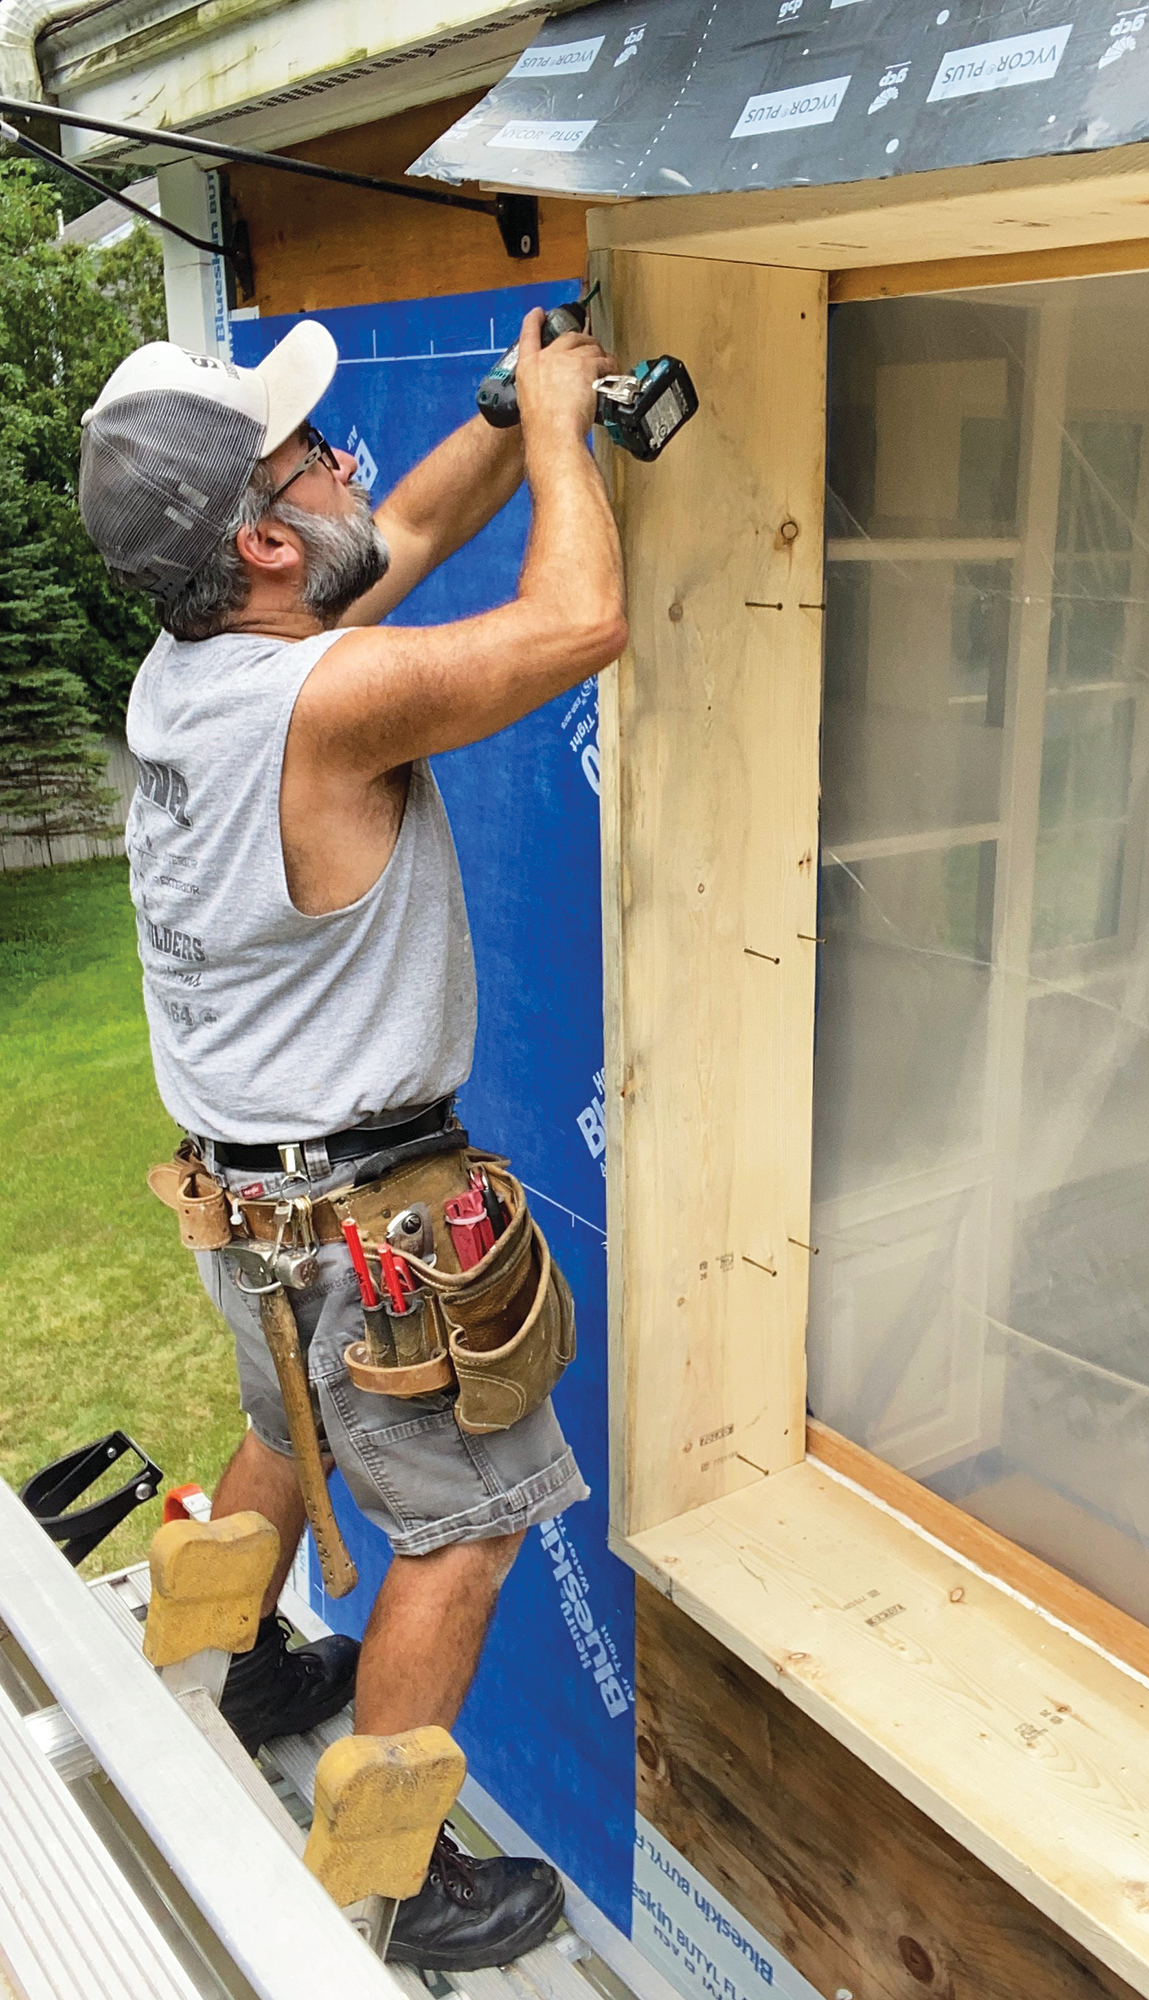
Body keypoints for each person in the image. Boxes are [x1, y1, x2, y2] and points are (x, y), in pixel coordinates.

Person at [77, 308, 626, 1971]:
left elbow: (395, 540)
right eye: (311, 459)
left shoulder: (193, 676)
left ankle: (229, 1666)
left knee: (280, 1422)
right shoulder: (325, 705)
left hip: (250, 1217)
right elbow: (578, 617)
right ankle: (391, 1881)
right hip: (365, 1225)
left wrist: (493, 407)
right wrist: (555, 432)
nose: (345, 468)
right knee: (467, 1522)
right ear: (257, 537)